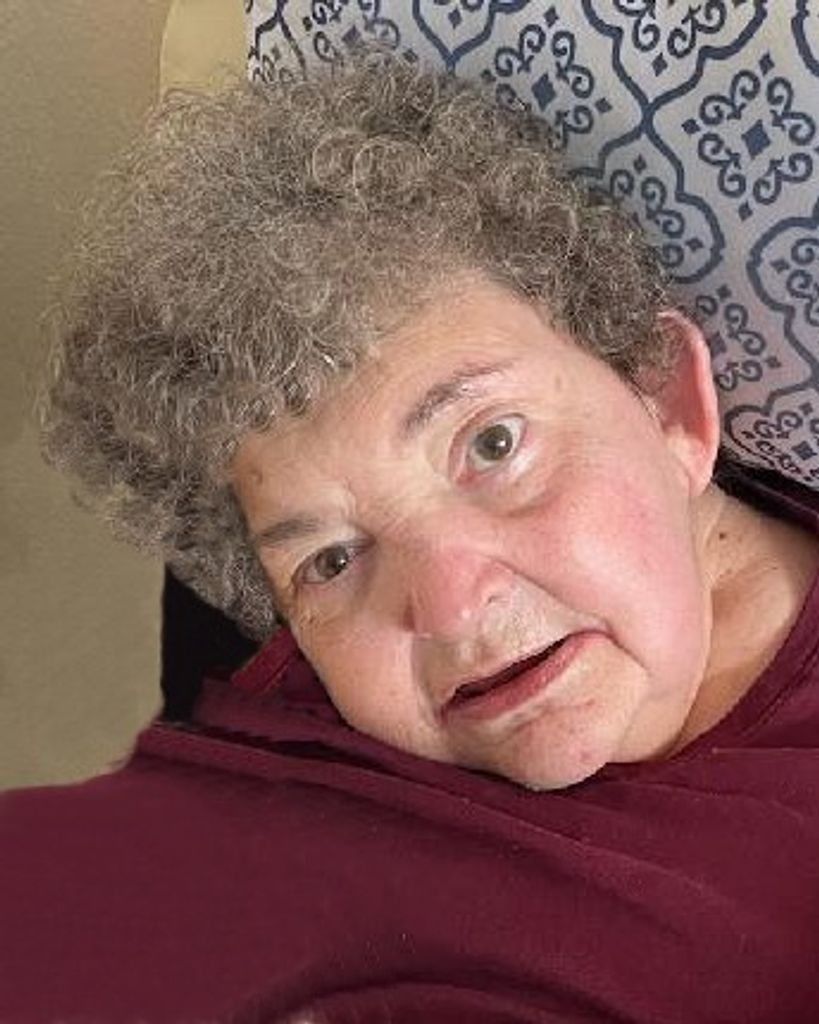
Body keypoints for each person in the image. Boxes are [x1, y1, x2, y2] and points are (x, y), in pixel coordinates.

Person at [3, 56, 819, 1023]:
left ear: (667, 401)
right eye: (331, 559)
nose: (448, 609)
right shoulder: (287, 769)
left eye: (491, 444)